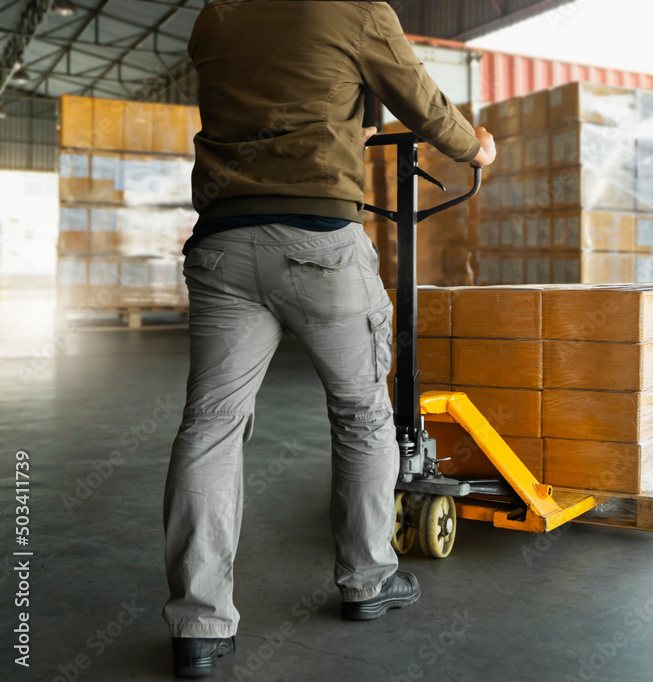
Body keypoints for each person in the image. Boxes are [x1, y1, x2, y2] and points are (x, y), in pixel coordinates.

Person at [163, 1, 497, 677]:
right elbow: (424, 103)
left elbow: (268, 88)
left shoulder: (212, 19)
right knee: (362, 413)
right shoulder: (355, 11)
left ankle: (199, 623)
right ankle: (369, 578)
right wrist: (475, 145)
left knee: (211, 427)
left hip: (223, 241)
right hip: (319, 239)